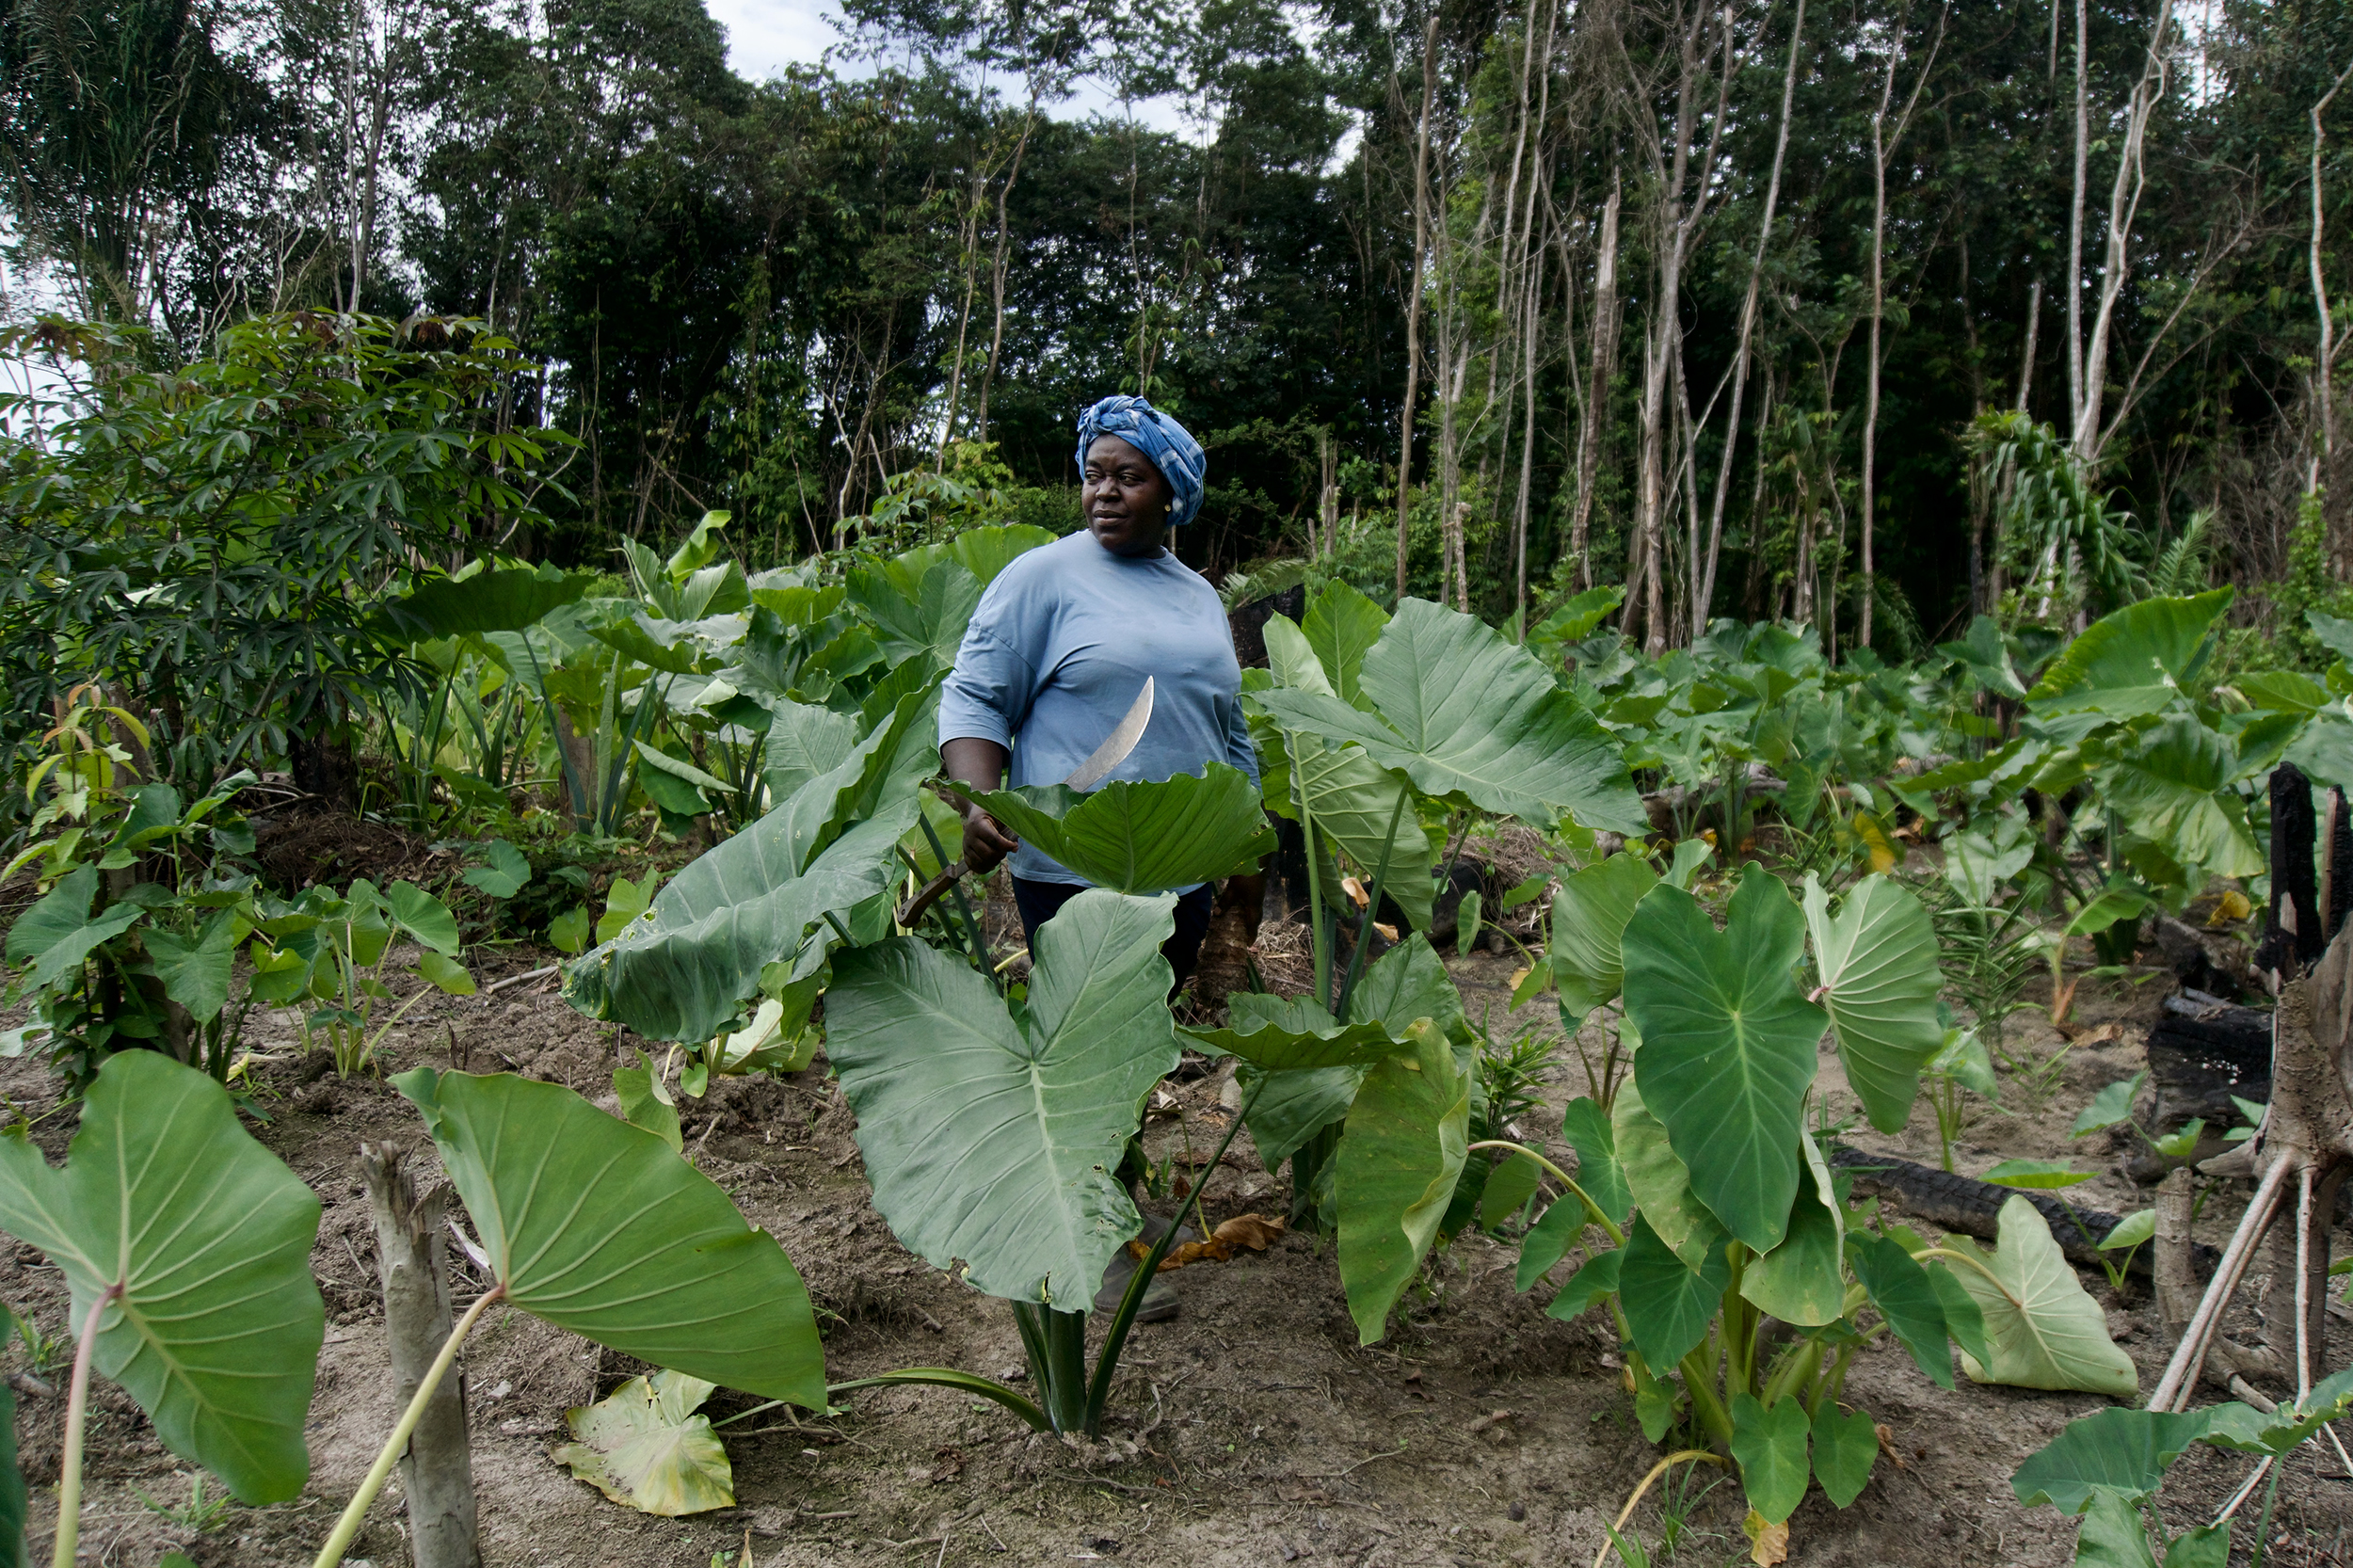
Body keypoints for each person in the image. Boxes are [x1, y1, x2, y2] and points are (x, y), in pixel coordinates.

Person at [936, 394, 1265, 1319]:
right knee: (1086, 1046)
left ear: (1172, 493)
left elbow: (1226, 734)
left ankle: (1108, 1208)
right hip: (1070, 866)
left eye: (1128, 476)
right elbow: (976, 699)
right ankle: (1085, 1249)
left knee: (1137, 1051)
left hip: (1181, 868)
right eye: (1094, 473)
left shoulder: (1199, 596)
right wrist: (978, 800)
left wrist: (1245, 850)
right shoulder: (1043, 579)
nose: (1104, 493)